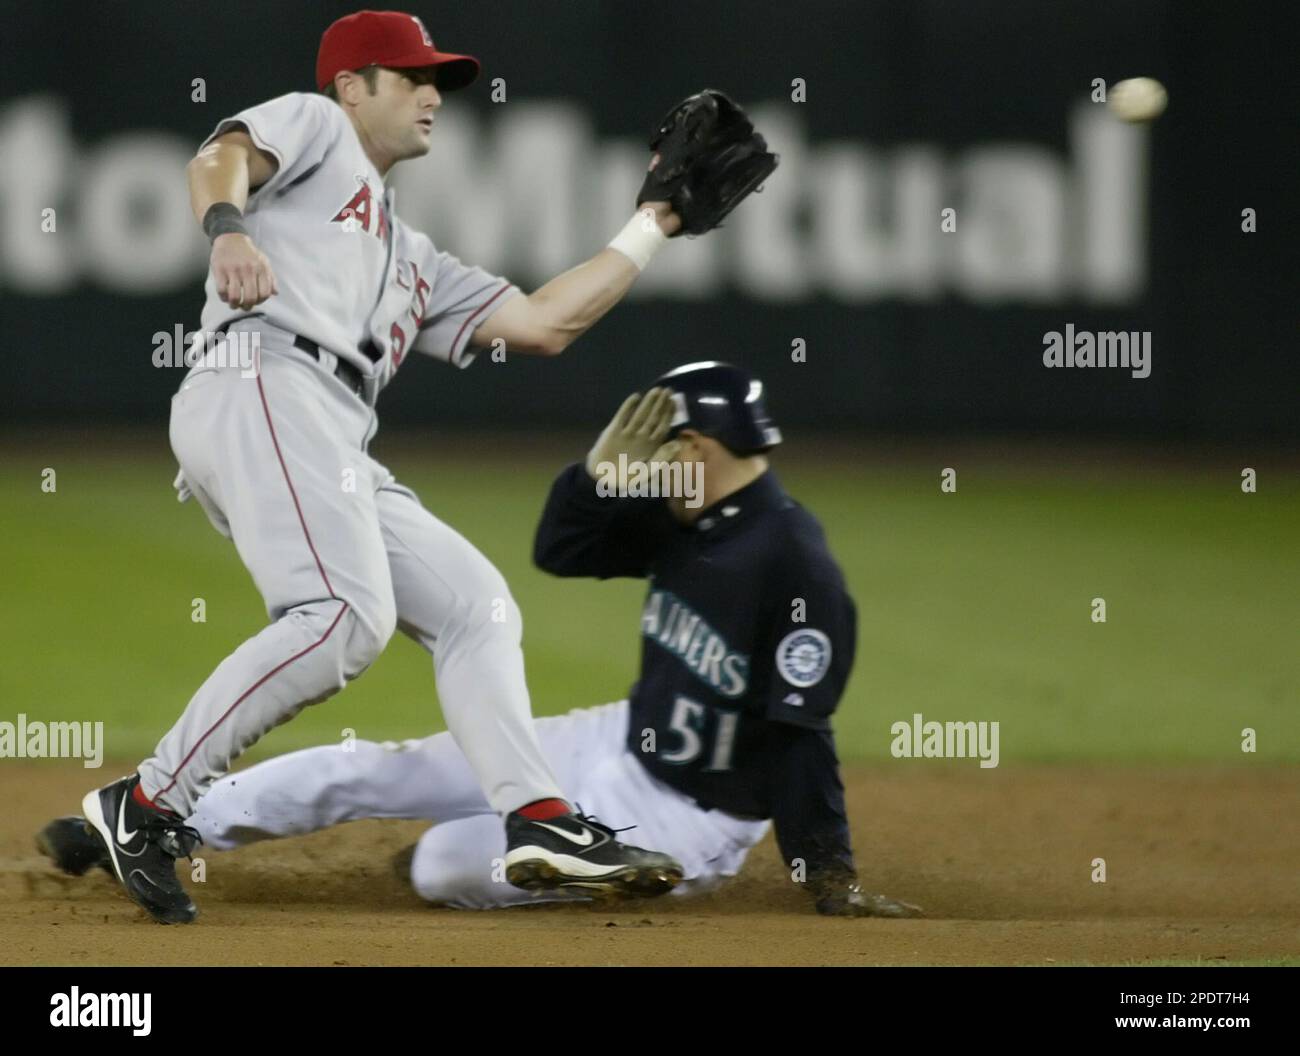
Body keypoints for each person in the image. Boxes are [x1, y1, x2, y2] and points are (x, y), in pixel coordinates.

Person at [70, 8, 717, 924]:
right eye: (410, 76)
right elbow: (213, 159)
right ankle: (145, 804)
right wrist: (225, 227)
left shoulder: (407, 254)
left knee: (474, 603)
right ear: (351, 85)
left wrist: (654, 223)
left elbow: (543, 324)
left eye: (438, 81)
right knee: (342, 616)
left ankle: (537, 820)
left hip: (328, 429)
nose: (431, 95)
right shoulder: (315, 124)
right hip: (262, 376)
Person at [43, 363, 921, 918]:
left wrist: (827, 876)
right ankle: (149, 815)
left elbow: (803, 731)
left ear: (694, 443)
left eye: (662, 443)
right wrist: (594, 481)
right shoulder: (690, 518)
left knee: (439, 865)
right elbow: (561, 551)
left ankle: (558, 864)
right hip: (610, 738)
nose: (651, 459)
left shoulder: (795, 564)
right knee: (374, 768)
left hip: (690, 815)